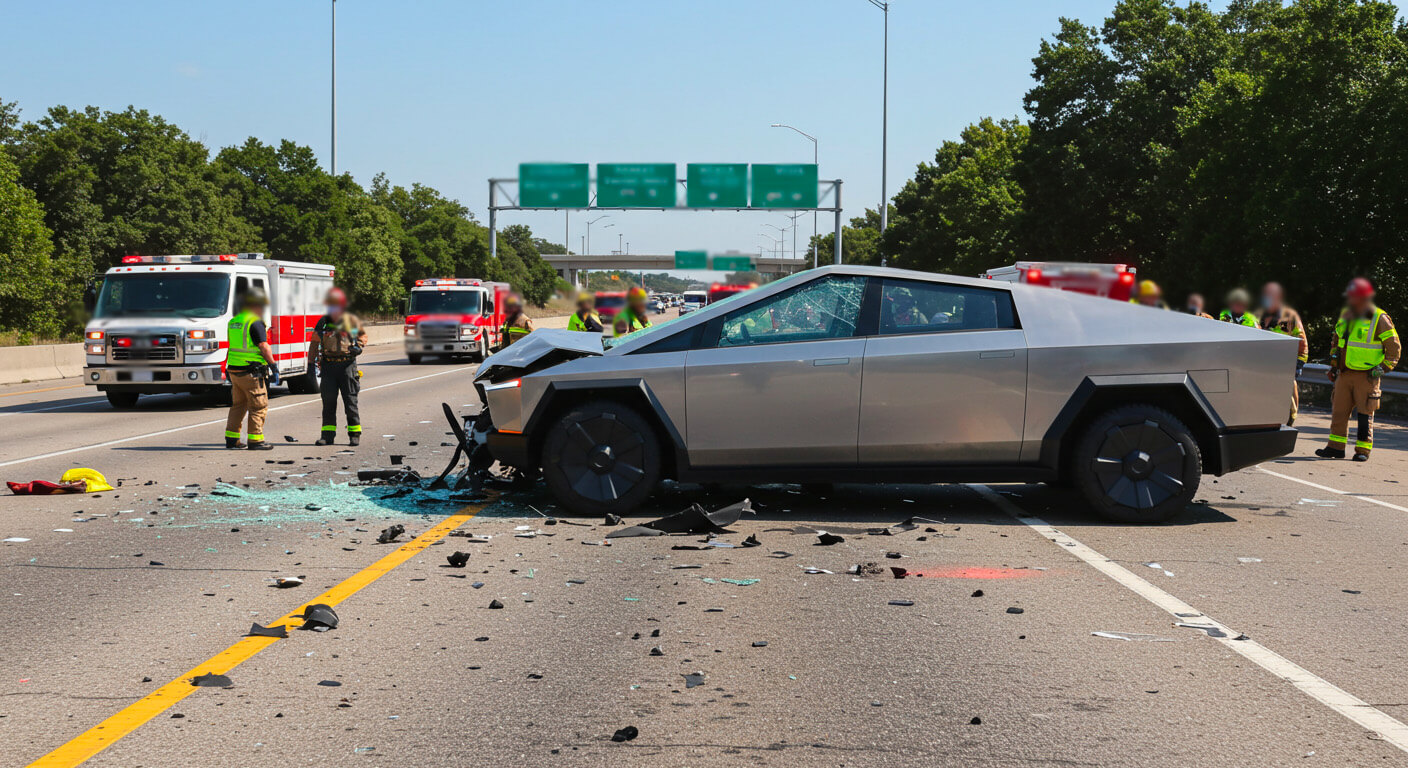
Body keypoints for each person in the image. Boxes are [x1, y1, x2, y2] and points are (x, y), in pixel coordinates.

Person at [1315, 278, 1400, 462]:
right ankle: (1335, 447)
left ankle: (1362, 450)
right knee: (1339, 412)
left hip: (1367, 376)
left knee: (1364, 414)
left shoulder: (1380, 318)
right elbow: (1337, 344)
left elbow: (1394, 350)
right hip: (1344, 373)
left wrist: (1382, 369)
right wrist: (1333, 367)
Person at [309, 287, 367, 446]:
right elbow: (314, 344)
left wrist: (359, 347)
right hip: (328, 367)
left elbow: (362, 336)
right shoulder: (323, 322)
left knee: (350, 402)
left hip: (347, 366)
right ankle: (327, 436)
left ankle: (354, 434)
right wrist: (309, 365)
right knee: (328, 403)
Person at [224, 289, 278, 450]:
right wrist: (273, 366)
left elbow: (232, 347)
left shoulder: (234, 321)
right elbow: (263, 346)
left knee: (238, 406)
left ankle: (232, 440)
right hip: (251, 372)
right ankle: (256, 440)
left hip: (234, 370)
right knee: (258, 406)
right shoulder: (255, 322)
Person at [1258, 282, 1309, 425]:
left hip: (1291, 358)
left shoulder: (1289, 316)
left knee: (1288, 385)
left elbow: (1301, 340)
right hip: (1272, 360)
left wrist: (1294, 361)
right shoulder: (1262, 316)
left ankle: (1291, 416)